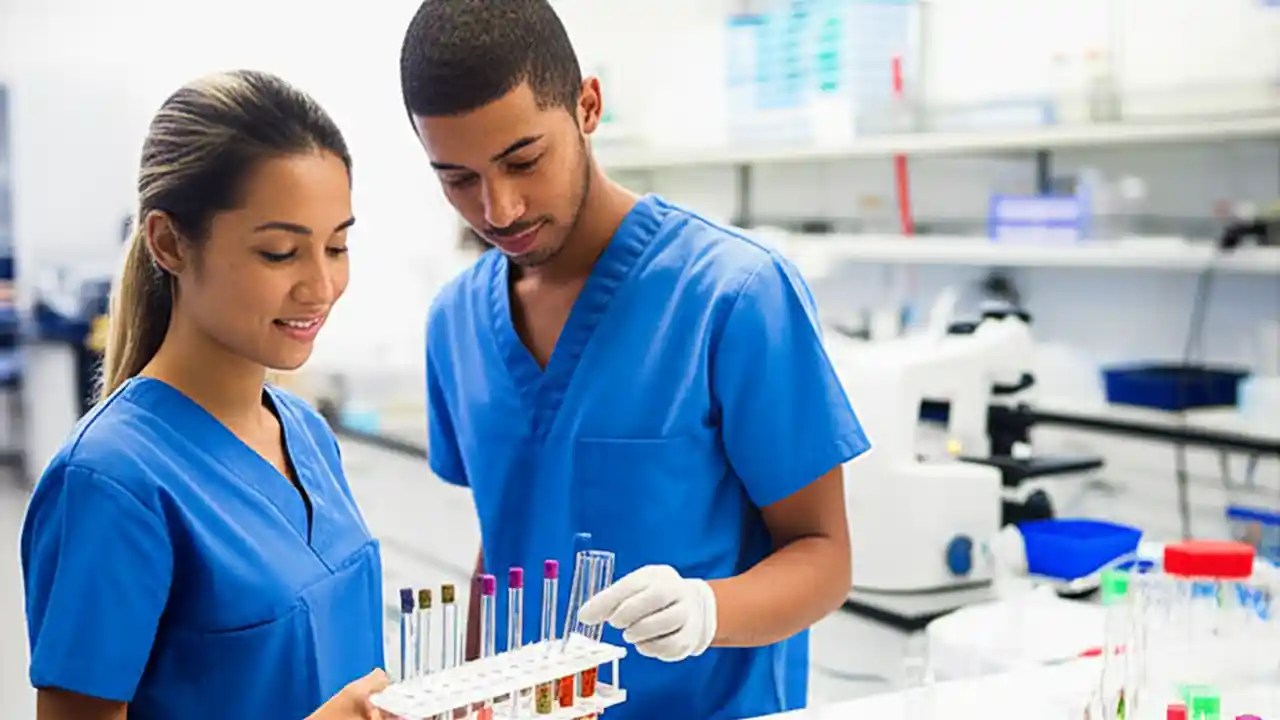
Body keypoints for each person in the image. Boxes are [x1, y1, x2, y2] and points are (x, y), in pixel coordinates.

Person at [400, 3, 870, 718]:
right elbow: (505, 546)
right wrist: (470, 696)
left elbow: (823, 556)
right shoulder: (455, 322)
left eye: (523, 160)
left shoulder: (734, 295)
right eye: (457, 179)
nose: (499, 208)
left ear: (588, 106)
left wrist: (708, 610)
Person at [20, 70, 389, 720]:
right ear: (168, 241)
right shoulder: (110, 484)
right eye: (280, 253)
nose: (322, 285)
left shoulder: (304, 433)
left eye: (337, 245)